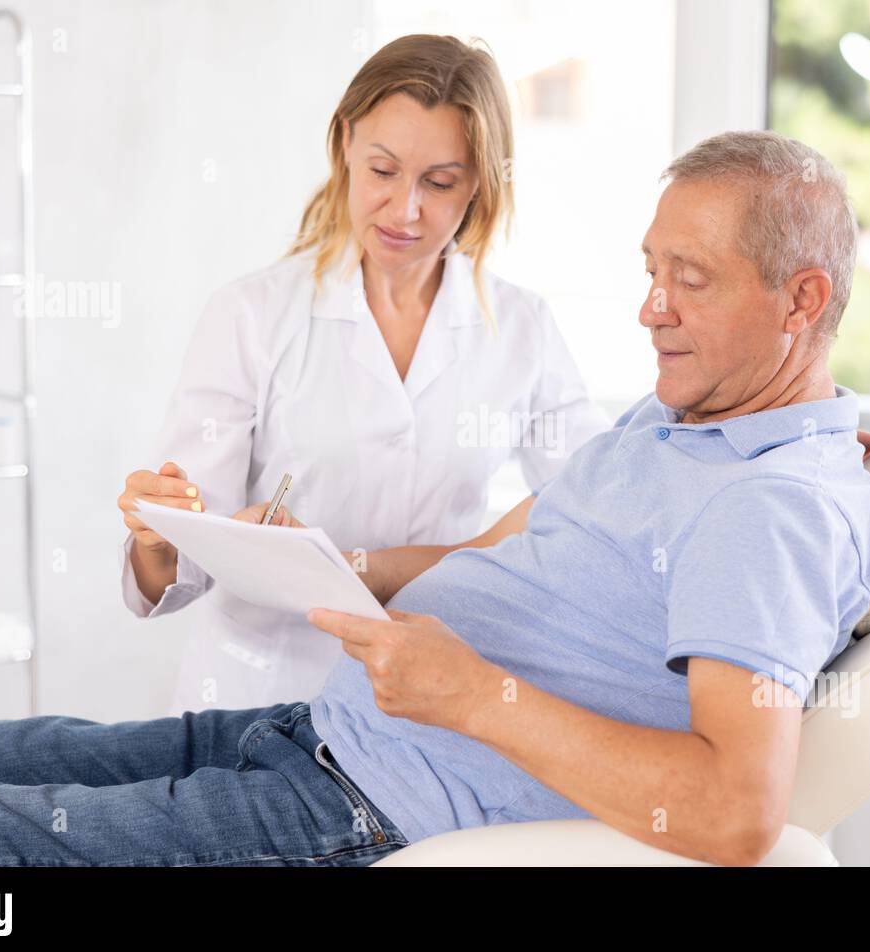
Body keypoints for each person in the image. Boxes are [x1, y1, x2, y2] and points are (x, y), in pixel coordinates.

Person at [0, 130, 870, 867]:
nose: (649, 307)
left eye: (691, 279)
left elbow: (736, 813)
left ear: (801, 299)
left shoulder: (774, 505)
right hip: (320, 729)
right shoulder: (683, 422)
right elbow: (498, 544)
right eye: (649, 270)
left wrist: (471, 692)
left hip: (372, 810)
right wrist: (322, 560)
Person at [117, 34, 610, 714]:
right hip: (260, 694)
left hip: (419, 709)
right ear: (346, 143)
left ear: (480, 184)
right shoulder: (252, 314)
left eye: (440, 183)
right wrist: (159, 538)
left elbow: (594, 509)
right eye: (383, 171)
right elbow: (182, 558)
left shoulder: (522, 329)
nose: (405, 210)